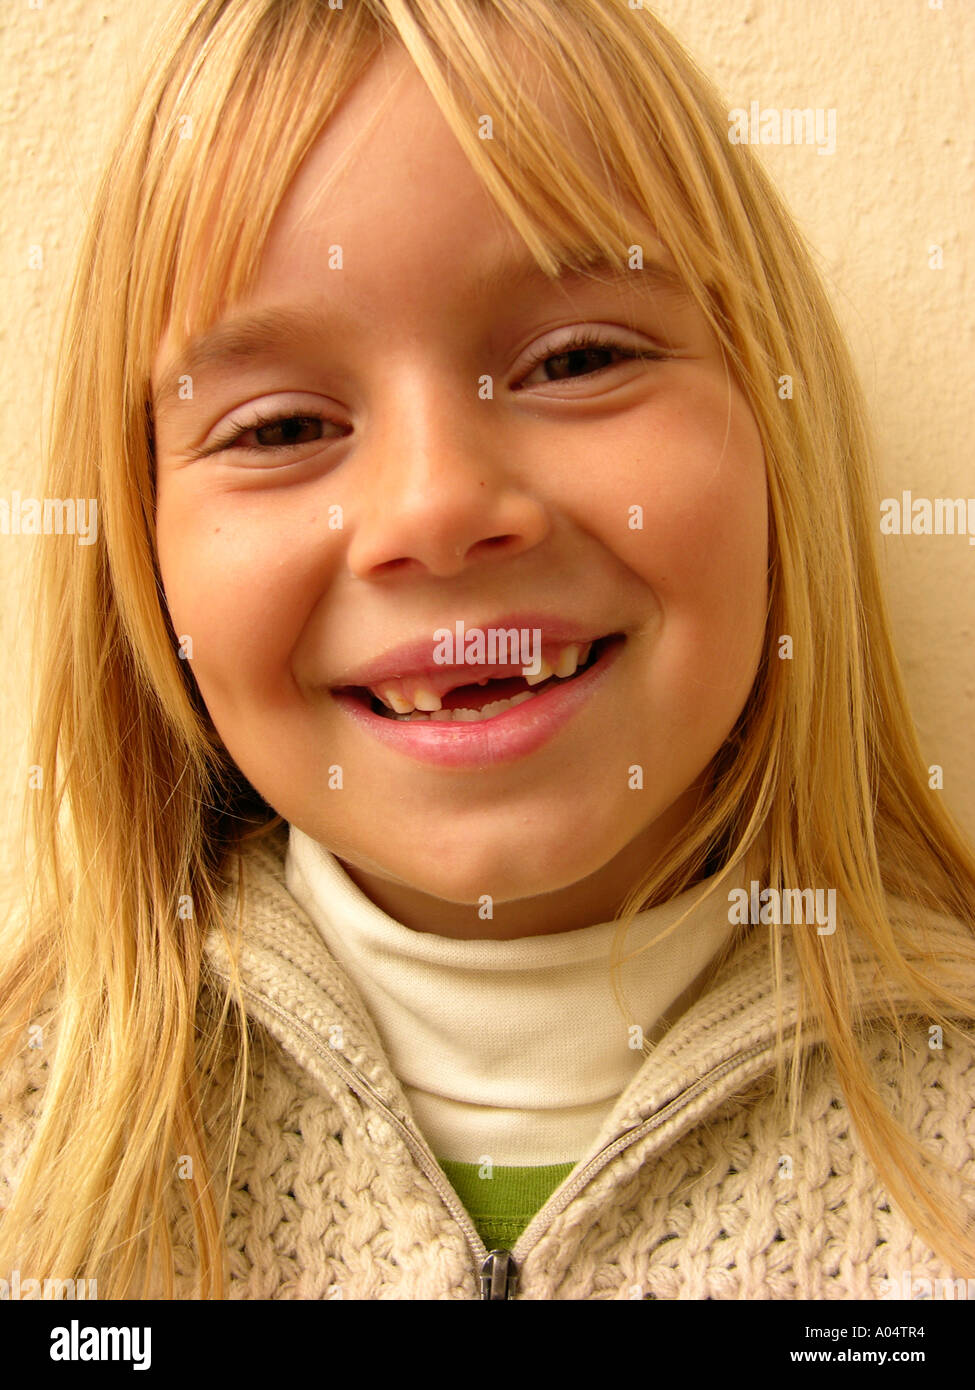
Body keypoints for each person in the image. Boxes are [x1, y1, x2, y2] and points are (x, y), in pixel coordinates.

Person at [1, 0, 973, 1301]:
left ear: (773, 423)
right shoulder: (30, 1172)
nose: (437, 509)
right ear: (141, 541)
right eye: (283, 428)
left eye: (576, 358)